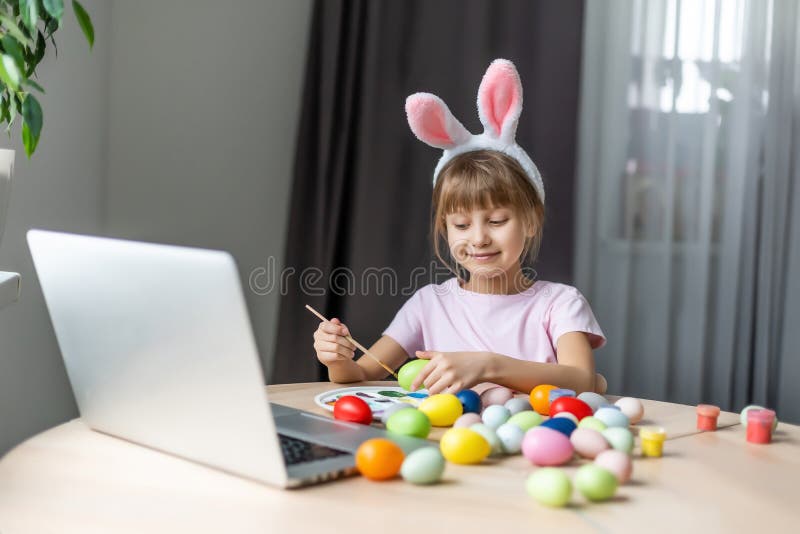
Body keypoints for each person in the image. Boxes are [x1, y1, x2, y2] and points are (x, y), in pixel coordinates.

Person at [313, 59, 607, 396]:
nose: (479, 238)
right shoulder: (429, 305)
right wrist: (337, 359)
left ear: (530, 221)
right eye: (461, 224)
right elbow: (363, 374)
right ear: (445, 227)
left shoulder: (559, 303)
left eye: (497, 221)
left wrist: (485, 365)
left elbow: (583, 380)